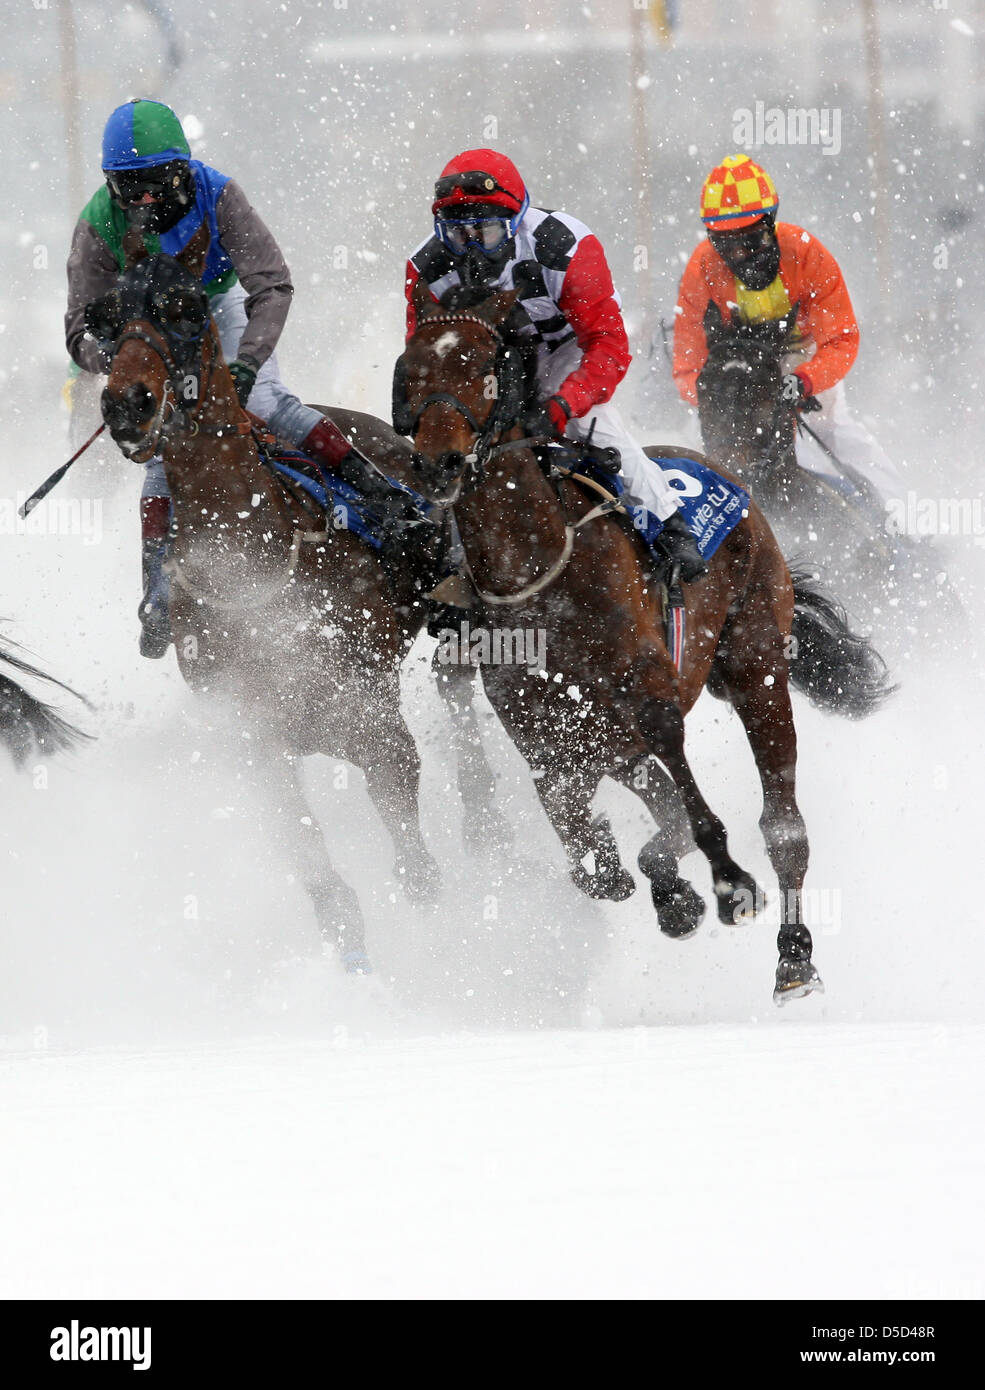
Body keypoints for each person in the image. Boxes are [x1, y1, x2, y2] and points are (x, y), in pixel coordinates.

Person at [65, 98, 391, 657]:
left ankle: (383, 498)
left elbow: (272, 285)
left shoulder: (219, 194)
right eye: (129, 187)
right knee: (167, 445)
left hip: (218, 302)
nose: (143, 200)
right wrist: (115, 363)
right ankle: (157, 590)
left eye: (154, 184)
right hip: (150, 325)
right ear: (109, 185)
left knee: (266, 401)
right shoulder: (98, 223)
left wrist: (247, 361)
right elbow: (78, 328)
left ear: (182, 172)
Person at [403, 148, 707, 582]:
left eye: (485, 232)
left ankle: (669, 525)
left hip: (563, 350)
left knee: (591, 423)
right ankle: (442, 548)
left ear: (515, 220)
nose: (471, 247)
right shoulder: (424, 266)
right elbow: (425, 358)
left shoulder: (564, 244)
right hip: (489, 362)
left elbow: (608, 346)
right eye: (457, 234)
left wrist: (564, 405)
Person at [673, 153, 903, 504]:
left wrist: (806, 380)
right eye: (725, 246)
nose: (739, 256)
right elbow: (688, 367)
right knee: (695, 445)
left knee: (836, 433)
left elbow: (840, 340)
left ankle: (899, 522)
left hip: (800, 356)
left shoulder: (808, 254)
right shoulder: (701, 268)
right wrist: (722, 397)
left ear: (770, 224)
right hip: (734, 372)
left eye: (750, 242)